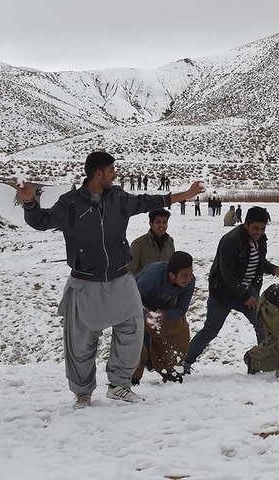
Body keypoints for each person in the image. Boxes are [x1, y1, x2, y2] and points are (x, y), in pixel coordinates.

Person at [16, 151, 204, 409]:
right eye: (112, 170)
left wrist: (186, 194)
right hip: (85, 282)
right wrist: (29, 202)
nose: (115, 175)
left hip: (120, 278)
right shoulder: (70, 204)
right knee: (81, 342)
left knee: (133, 328)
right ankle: (82, 392)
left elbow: (150, 201)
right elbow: (41, 221)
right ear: (98, 173)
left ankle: (119, 385)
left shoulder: (119, 199)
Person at [183, 207, 279, 372]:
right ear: (246, 224)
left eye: (262, 229)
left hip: (247, 291)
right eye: (255, 228)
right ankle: (185, 362)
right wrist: (245, 295)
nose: (259, 232)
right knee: (211, 329)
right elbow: (227, 273)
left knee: (261, 324)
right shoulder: (231, 241)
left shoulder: (261, 240)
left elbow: (258, 262)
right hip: (223, 292)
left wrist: (274, 269)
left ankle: (259, 362)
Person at [131, 251, 195, 385]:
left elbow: (182, 309)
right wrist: (146, 315)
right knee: (135, 342)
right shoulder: (151, 277)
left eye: (190, 274)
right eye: (185, 276)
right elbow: (132, 298)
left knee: (180, 331)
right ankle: (132, 378)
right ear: (172, 275)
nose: (189, 279)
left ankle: (170, 371)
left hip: (165, 307)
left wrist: (164, 315)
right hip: (139, 305)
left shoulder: (189, 282)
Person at [128, 208, 175, 276]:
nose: (162, 225)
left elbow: (172, 266)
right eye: (158, 222)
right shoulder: (139, 244)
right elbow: (131, 270)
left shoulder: (169, 242)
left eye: (165, 222)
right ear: (151, 223)